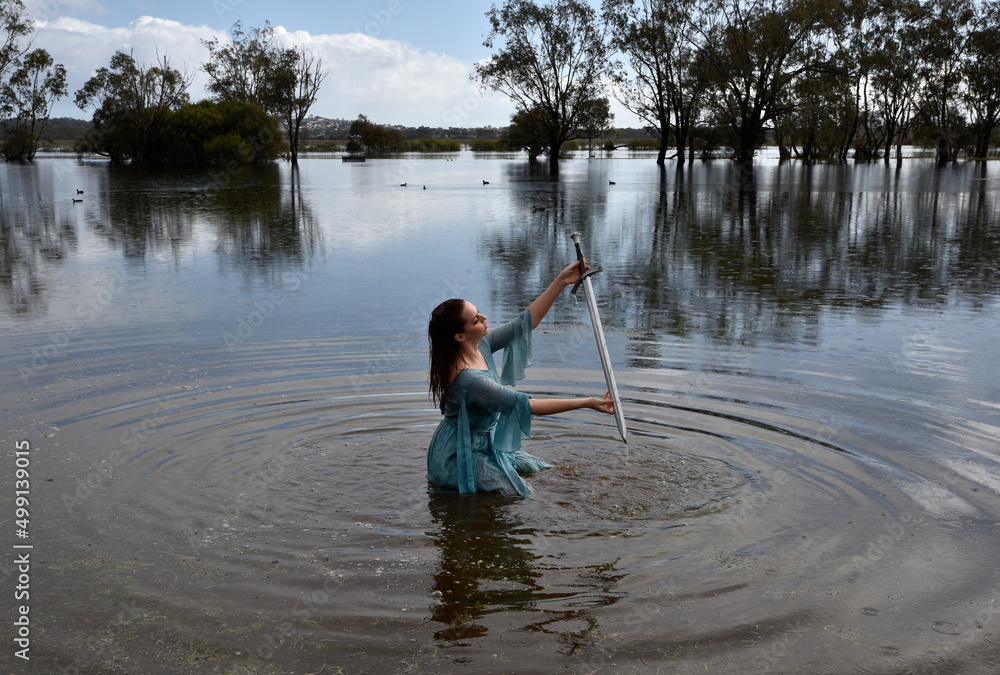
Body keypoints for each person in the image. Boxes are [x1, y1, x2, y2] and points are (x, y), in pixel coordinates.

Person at [426, 261, 615, 497]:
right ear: (459, 336)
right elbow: (528, 405)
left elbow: (524, 323)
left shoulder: (480, 344)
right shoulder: (469, 381)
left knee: (538, 468)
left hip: (485, 441)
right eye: (475, 319)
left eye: (479, 311)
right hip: (459, 452)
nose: (484, 317)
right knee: (519, 494)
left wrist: (561, 281)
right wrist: (588, 402)